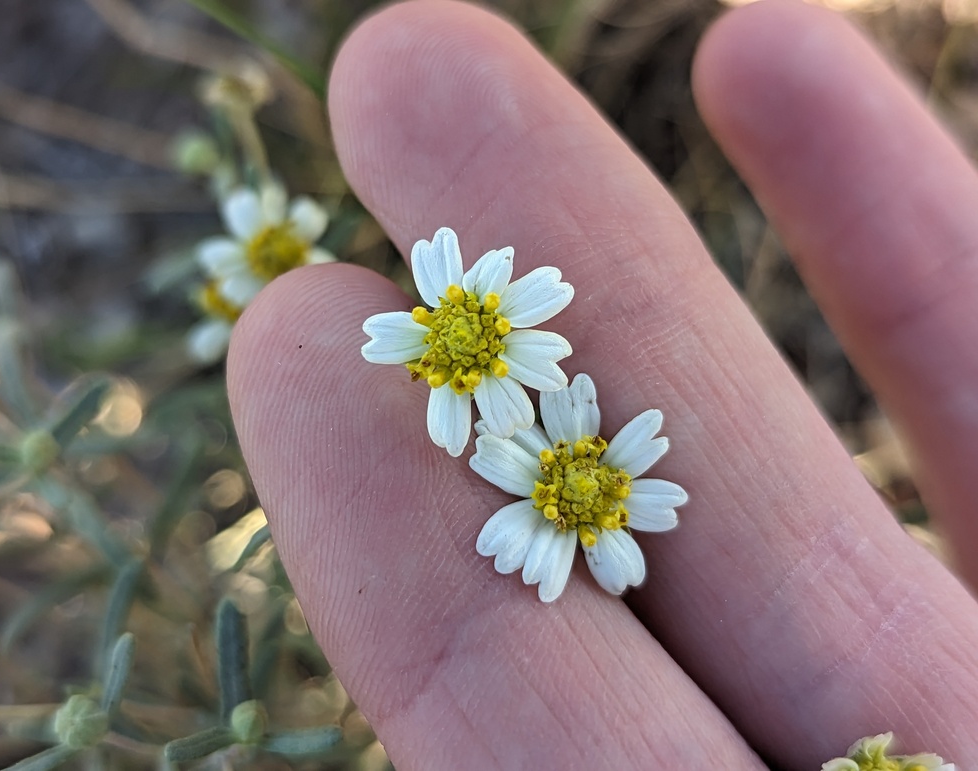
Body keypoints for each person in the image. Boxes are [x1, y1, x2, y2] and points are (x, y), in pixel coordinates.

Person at [226, 1, 978, 767]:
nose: (455, 336)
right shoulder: (490, 397)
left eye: (463, 331)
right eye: (452, 335)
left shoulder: (533, 412)